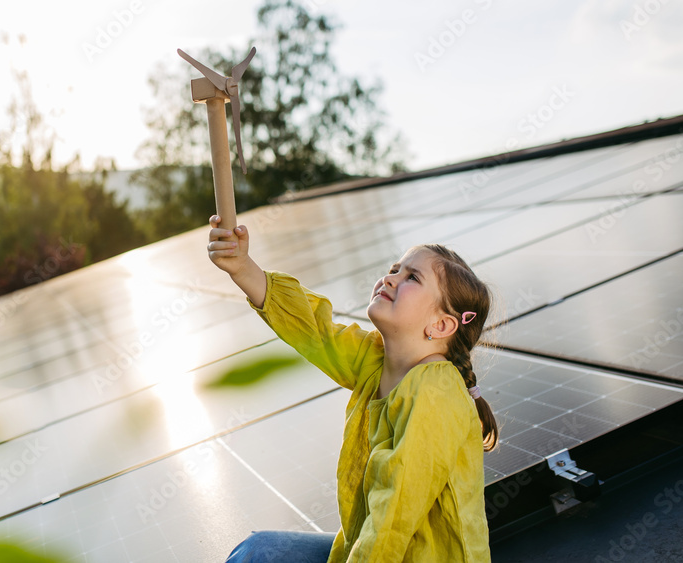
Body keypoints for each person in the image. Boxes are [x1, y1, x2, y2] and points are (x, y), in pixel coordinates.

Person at [208, 215, 497, 562]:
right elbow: (316, 331)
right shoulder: (374, 360)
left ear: (441, 324)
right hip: (371, 547)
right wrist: (242, 268)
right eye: (395, 268)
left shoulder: (436, 392)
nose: (391, 278)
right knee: (257, 553)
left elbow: (394, 512)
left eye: (411, 278)